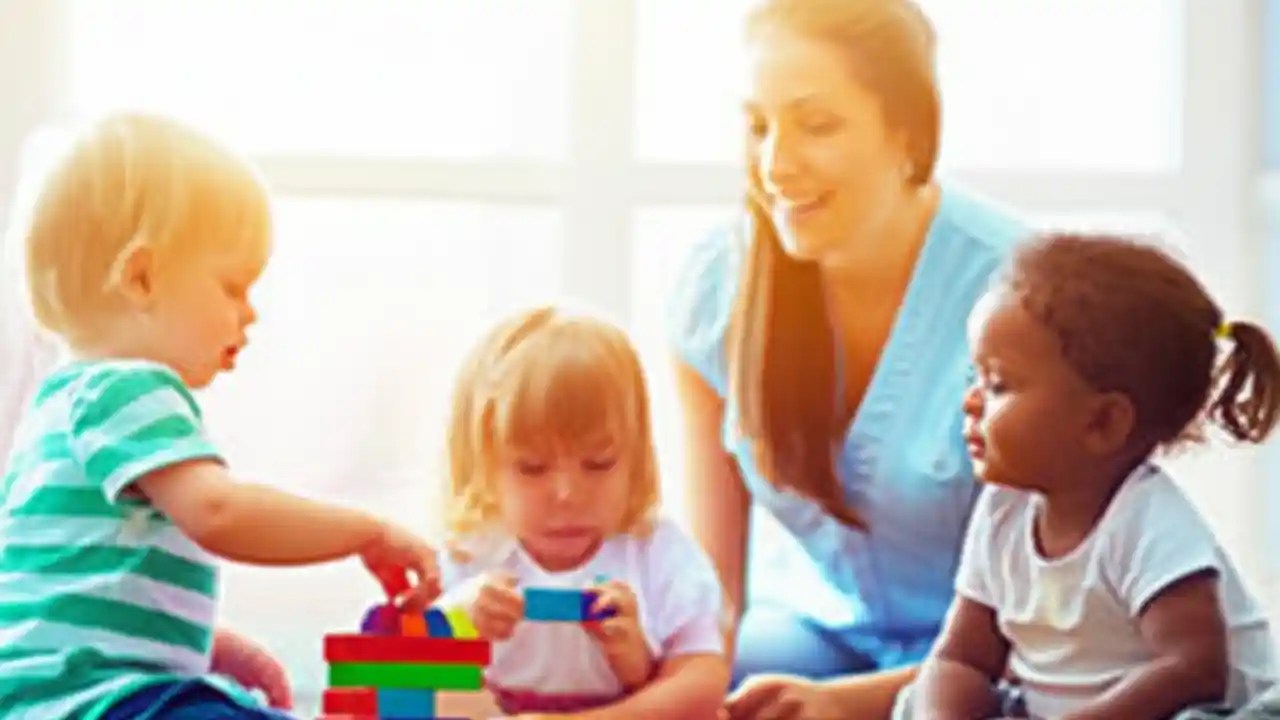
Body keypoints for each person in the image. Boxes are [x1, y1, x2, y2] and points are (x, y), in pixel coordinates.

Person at [0, 113, 442, 719]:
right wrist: (365, 531)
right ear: (141, 276)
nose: (249, 313)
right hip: (106, 702)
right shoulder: (131, 389)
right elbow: (219, 511)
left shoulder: (55, 408)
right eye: (233, 286)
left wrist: (211, 647)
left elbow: (82, 593)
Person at [667, 0, 1027, 717]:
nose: (775, 166)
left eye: (817, 124)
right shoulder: (716, 289)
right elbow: (714, 598)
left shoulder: (1023, 297)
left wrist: (846, 706)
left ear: (908, 132)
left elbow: (1054, 621)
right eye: (759, 126)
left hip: (998, 664)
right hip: (811, 639)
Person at [904, 234, 1280, 720]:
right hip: (1057, 710)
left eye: (998, 384)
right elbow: (962, 657)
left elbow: (1195, 669)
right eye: (975, 379)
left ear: (1102, 423)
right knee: (919, 698)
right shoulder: (1004, 508)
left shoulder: (1147, 520)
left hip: (1213, 710)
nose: (971, 401)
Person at [434, 305, 730, 718]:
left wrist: (639, 665)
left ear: (635, 459)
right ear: (483, 468)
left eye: (599, 464)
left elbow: (702, 686)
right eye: (532, 468)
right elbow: (402, 680)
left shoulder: (658, 554)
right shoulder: (471, 555)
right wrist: (454, 622)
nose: (568, 494)